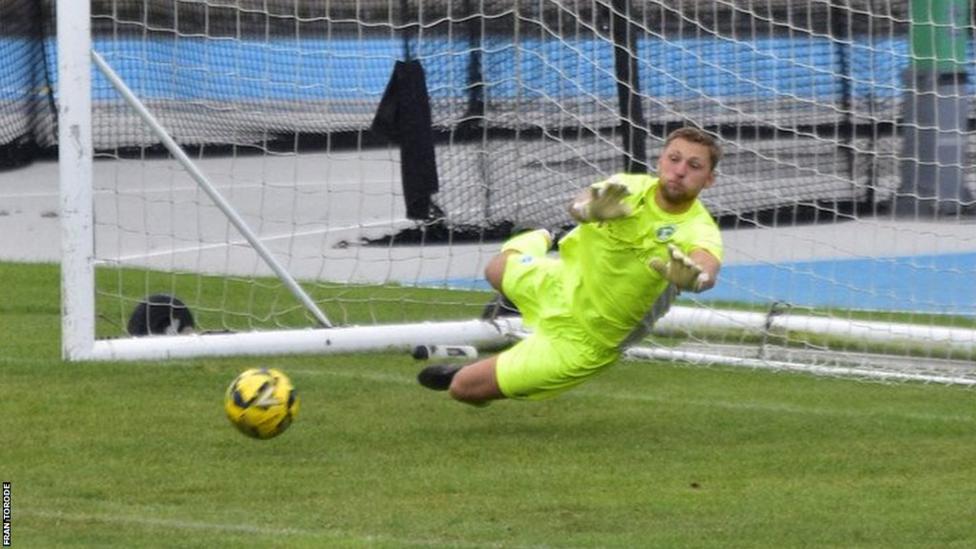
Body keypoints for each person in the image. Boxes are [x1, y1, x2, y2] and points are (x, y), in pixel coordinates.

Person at [418, 126, 724, 406]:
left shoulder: (699, 228)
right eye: (674, 159)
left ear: (708, 179)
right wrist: (588, 208)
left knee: (463, 389)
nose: (680, 170)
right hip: (560, 283)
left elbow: (706, 266)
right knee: (495, 269)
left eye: (694, 166)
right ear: (660, 161)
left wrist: (696, 278)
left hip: (585, 338)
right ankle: (541, 238)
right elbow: (579, 204)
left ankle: (481, 370)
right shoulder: (627, 187)